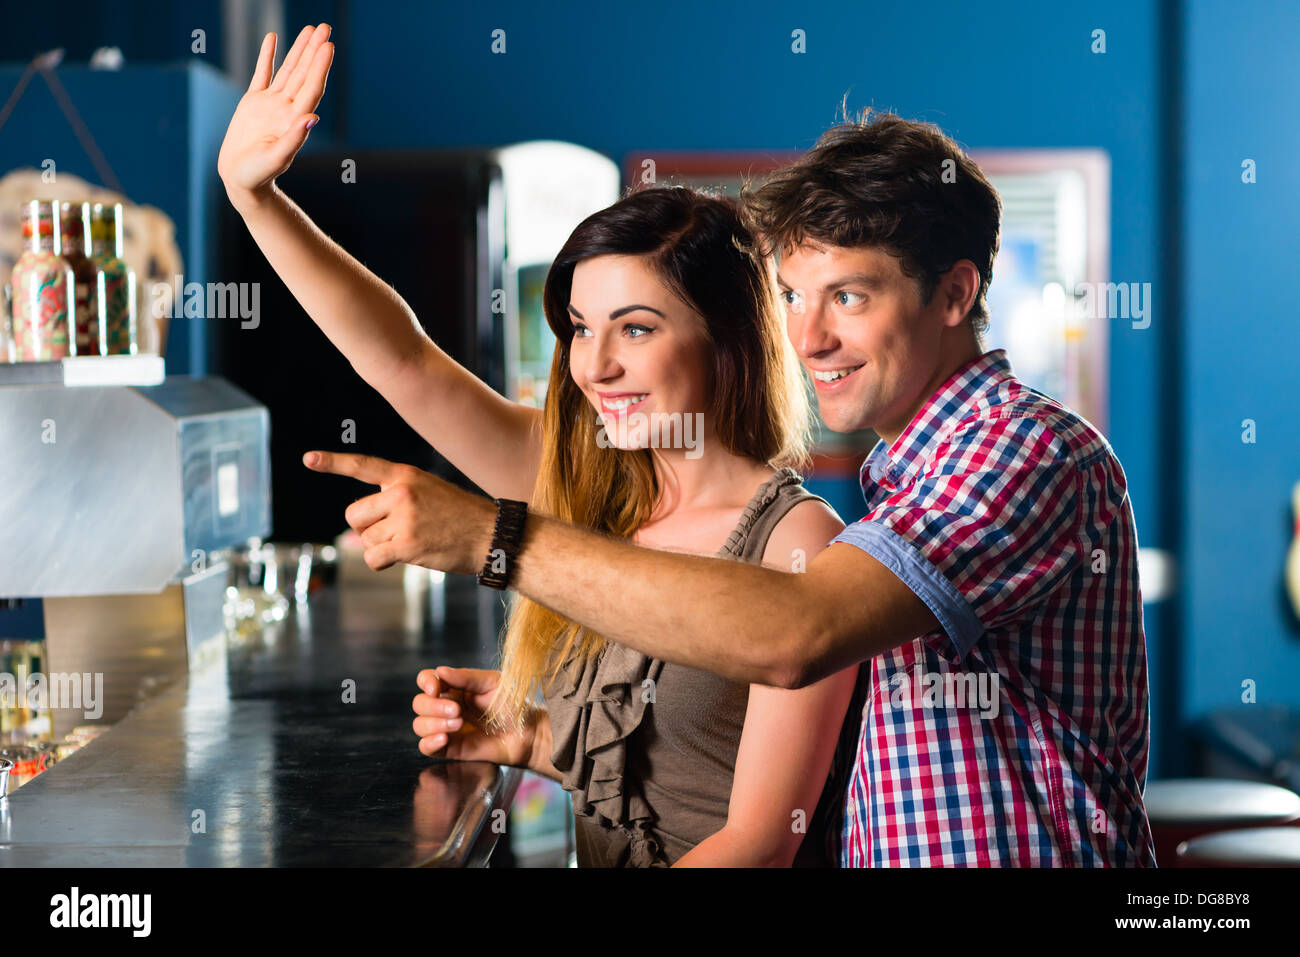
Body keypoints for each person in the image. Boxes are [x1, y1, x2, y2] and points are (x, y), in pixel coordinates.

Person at [307, 108, 1159, 867]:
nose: (810, 337)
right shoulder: (908, 477)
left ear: (956, 292)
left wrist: (497, 541)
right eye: (794, 295)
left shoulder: (1022, 449)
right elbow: (409, 365)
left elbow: (793, 634)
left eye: (849, 297)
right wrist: (539, 732)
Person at [219, 23, 859, 867]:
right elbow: (403, 360)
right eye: (581, 328)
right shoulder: (582, 481)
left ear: (728, 342)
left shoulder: (796, 541)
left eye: (636, 328)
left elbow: (760, 844)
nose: (594, 365)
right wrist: (254, 199)